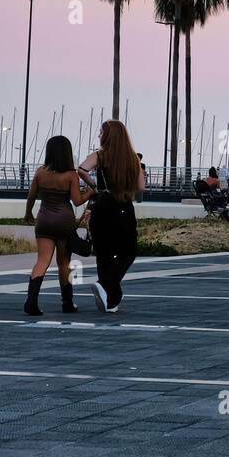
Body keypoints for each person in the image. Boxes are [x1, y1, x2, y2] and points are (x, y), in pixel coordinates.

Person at [22, 135, 95, 316]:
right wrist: (90, 193)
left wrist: (28, 213)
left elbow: (31, 196)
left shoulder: (40, 172)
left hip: (44, 220)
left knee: (42, 261)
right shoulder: (71, 175)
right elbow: (77, 201)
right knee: (64, 263)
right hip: (64, 223)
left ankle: (31, 301)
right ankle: (67, 302)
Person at [78, 120, 145, 313]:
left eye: (101, 132)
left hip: (101, 206)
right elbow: (140, 187)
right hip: (123, 206)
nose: (99, 135)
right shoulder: (132, 158)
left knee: (104, 253)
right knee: (128, 250)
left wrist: (94, 185)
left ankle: (110, 299)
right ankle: (106, 286)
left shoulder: (100, 155)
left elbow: (81, 169)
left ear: (108, 136)